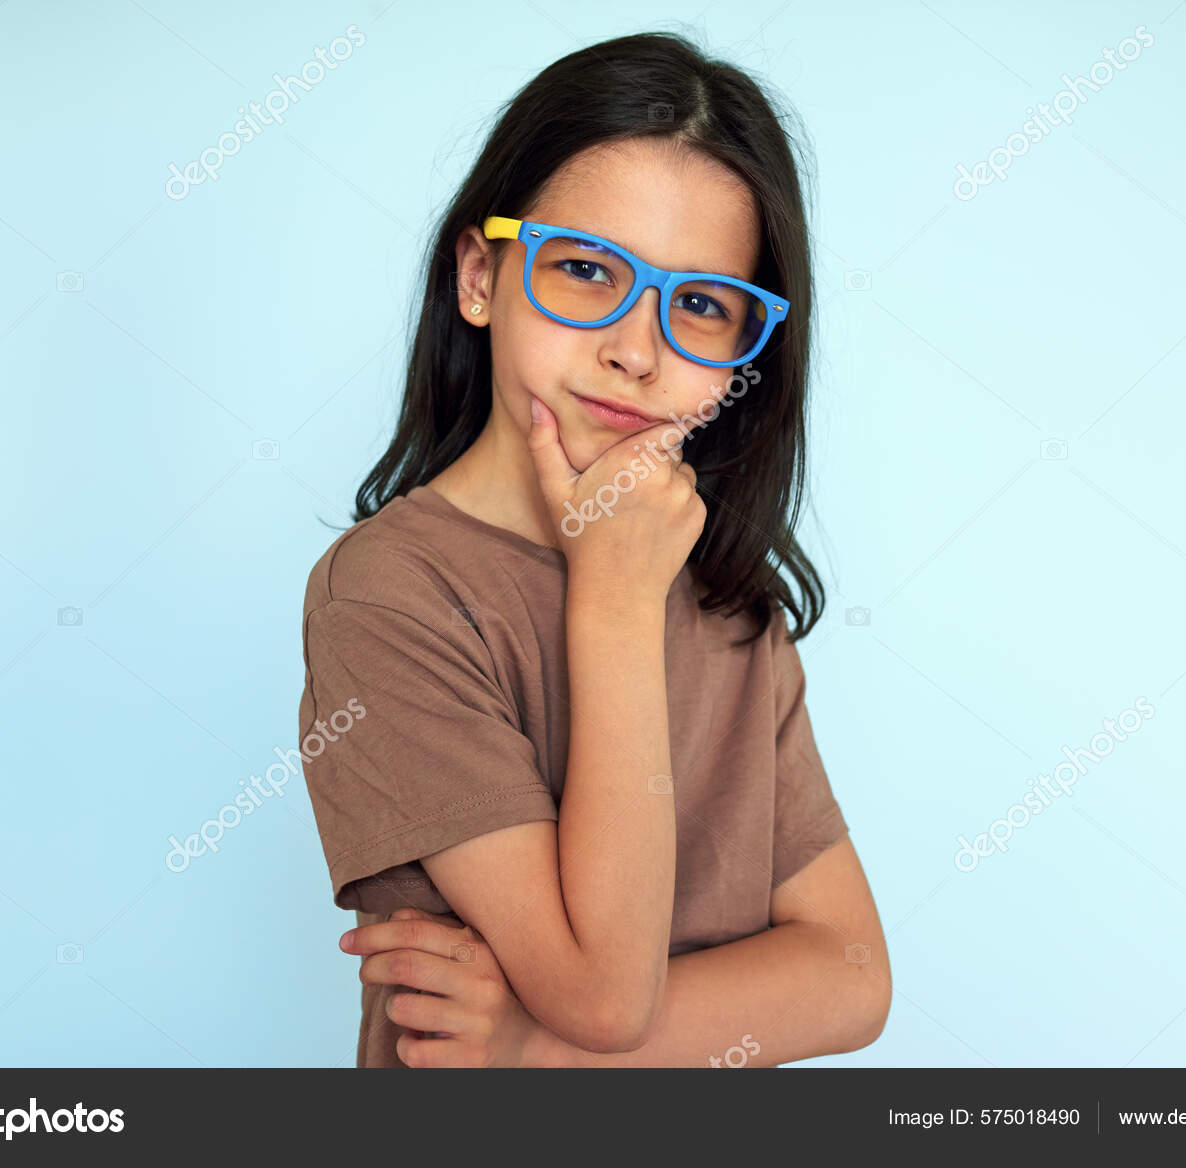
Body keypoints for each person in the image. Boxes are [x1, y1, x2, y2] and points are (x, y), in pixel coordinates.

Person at [298, 30, 889, 1067]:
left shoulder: (726, 599)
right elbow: (607, 991)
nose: (636, 349)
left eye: (700, 303)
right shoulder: (391, 594)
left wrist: (534, 1046)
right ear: (481, 277)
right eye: (583, 269)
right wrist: (612, 597)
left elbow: (850, 975)